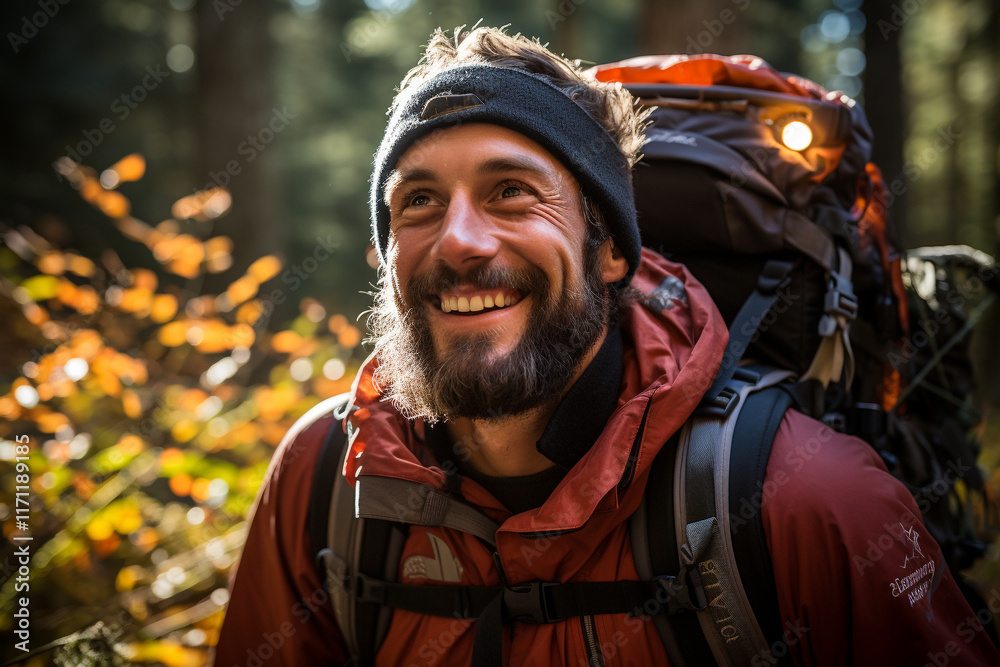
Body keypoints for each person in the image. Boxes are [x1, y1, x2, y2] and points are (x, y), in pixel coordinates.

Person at [213, 26, 1000, 667]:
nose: (458, 239)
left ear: (609, 249)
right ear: (383, 259)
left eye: (510, 191)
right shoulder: (323, 482)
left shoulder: (805, 499)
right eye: (418, 200)